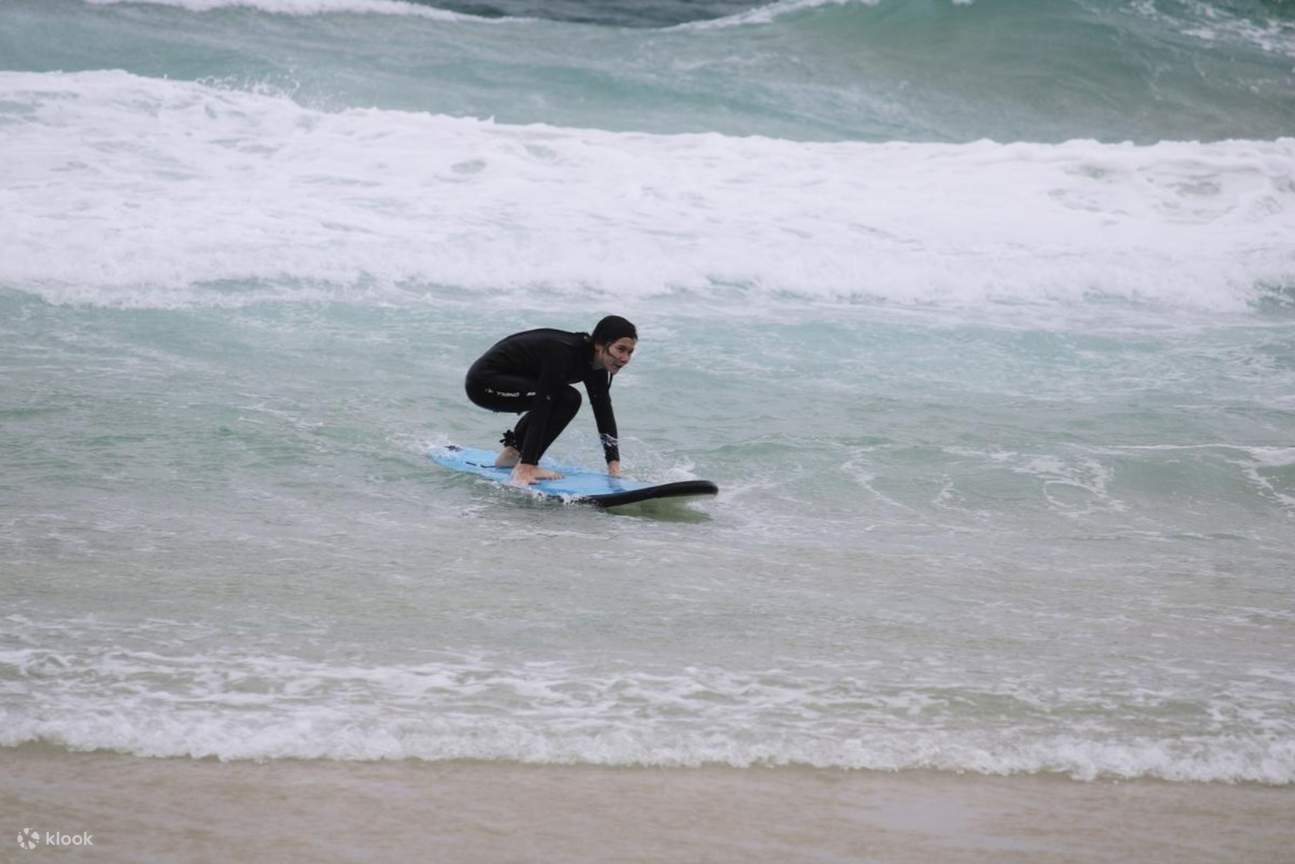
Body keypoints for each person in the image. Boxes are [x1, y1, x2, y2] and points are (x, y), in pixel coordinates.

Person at [464, 316, 637, 486]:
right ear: (600, 344)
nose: (625, 359)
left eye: (629, 352)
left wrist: (613, 467)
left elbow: (603, 411)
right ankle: (524, 466)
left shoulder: (597, 363)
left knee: (565, 398)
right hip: (484, 384)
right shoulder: (565, 351)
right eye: (620, 349)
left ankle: (511, 455)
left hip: (512, 382)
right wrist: (528, 464)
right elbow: (542, 405)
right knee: (564, 398)